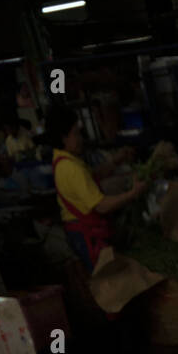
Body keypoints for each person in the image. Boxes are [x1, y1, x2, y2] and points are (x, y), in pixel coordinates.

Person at [44, 104, 146, 272]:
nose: (80, 138)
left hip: (80, 232)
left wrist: (115, 160)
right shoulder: (70, 168)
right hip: (86, 236)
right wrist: (133, 193)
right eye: (76, 133)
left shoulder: (63, 159)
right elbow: (102, 205)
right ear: (63, 137)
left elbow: (91, 175)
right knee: (107, 281)